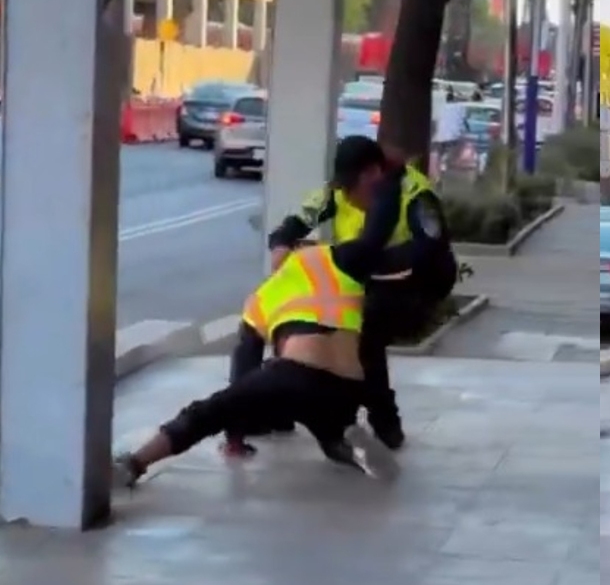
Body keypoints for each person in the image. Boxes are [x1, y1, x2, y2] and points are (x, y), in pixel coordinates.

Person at [112, 164, 415, 487]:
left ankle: (133, 464)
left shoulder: (262, 298)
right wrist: (390, 183)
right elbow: (376, 235)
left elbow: (244, 366)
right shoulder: (328, 258)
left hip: (296, 375)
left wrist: (235, 434)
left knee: (208, 411)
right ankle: (341, 442)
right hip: (348, 385)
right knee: (328, 426)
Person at [247, 138, 457, 451]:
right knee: (305, 317)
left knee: (365, 331)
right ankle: (291, 404)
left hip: (416, 281)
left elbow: (430, 249)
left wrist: (355, 258)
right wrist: (282, 242)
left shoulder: (414, 194)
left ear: (373, 174)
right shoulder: (341, 190)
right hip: (363, 275)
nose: (346, 197)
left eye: (350, 189)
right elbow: (300, 219)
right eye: (342, 188)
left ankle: (383, 420)